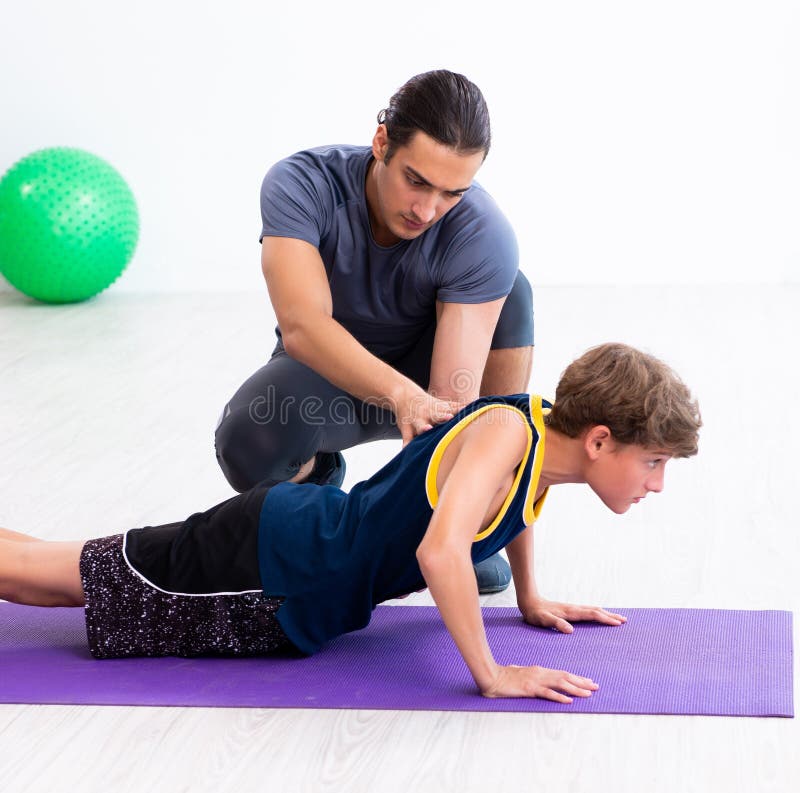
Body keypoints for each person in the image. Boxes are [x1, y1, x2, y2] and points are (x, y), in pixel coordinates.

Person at [0, 343, 700, 702]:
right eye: (655, 462)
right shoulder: (507, 436)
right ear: (602, 439)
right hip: (274, 568)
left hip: (290, 555)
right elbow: (441, 553)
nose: (657, 484)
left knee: (74, 562)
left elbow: (515, 510)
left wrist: (529, 596)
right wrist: (491, 673)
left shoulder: (537, 437)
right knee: (53, 583)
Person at [213, 69, 534, 594]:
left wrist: (443, 527)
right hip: (327, 373)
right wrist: (401, 397)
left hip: (426, 382)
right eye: (416, 180)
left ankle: (469, 529)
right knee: (250, 443)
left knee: (514, 294)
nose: (427, 210)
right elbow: (303, 327)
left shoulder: (483, 232)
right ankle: (318, 487)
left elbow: (454, 406)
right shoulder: (302, 183)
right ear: (382, 142)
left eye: (452, 192)